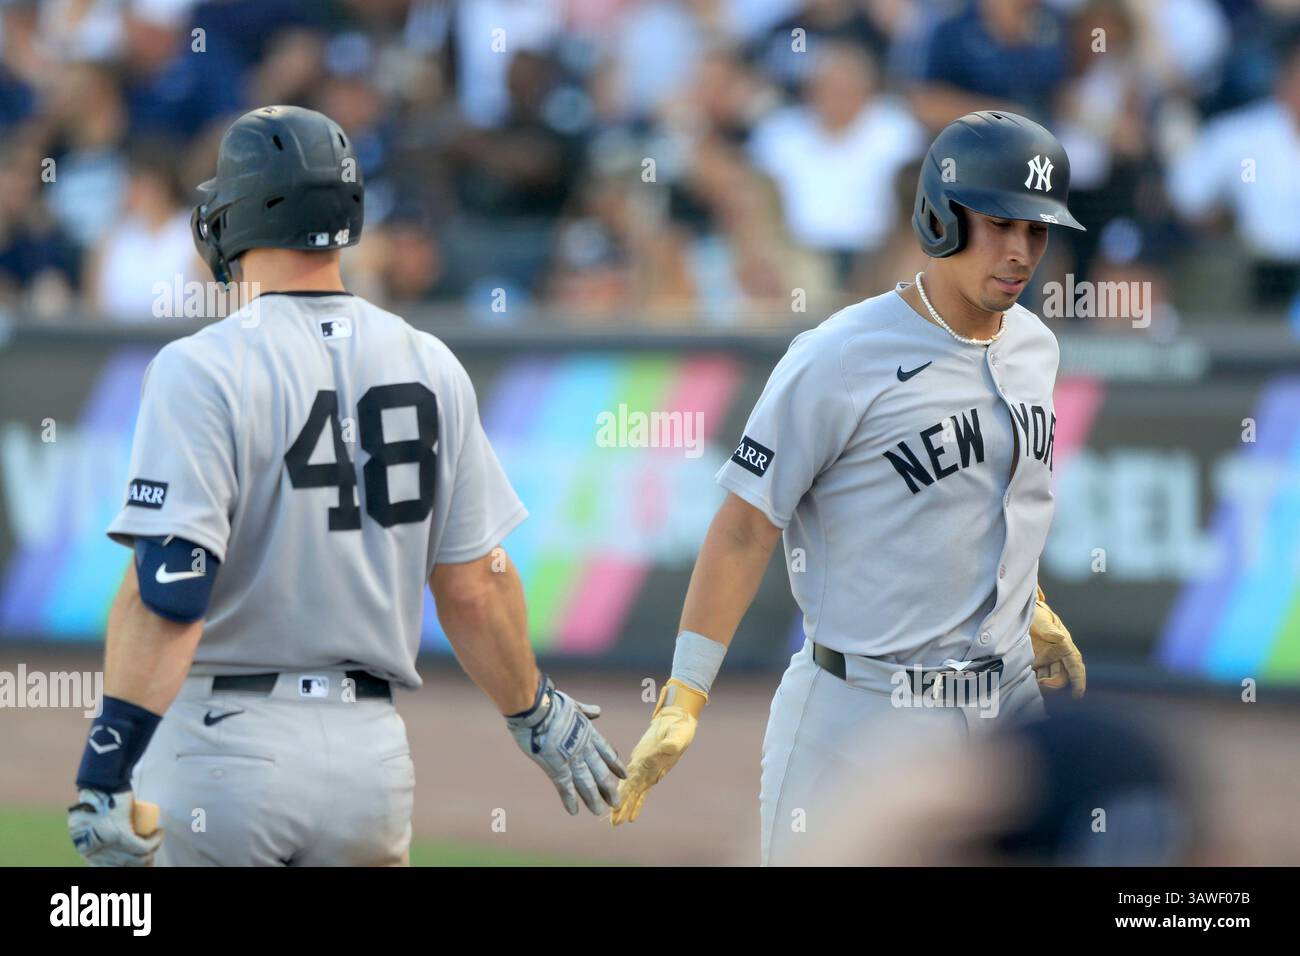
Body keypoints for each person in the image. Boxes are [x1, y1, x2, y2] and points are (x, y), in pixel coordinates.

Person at [66, 105, 625, 867]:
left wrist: (105, 770)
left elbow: (169, 591)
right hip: (371, 764)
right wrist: (533, 710)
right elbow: (476, 587)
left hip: (224, 748)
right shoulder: (430, 361)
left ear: (237, 214)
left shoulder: (203, 365)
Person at [611, 111, 1087, 865]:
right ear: (940, 217)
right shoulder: (839, 355)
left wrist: (1027, 605)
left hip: (1008, 714)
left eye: (1038, 230)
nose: (1021, 250)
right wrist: (685, 693)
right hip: (860, 711)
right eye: (1000, 223)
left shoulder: (1036, 347)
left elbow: (988, 499)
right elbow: (744, 525)